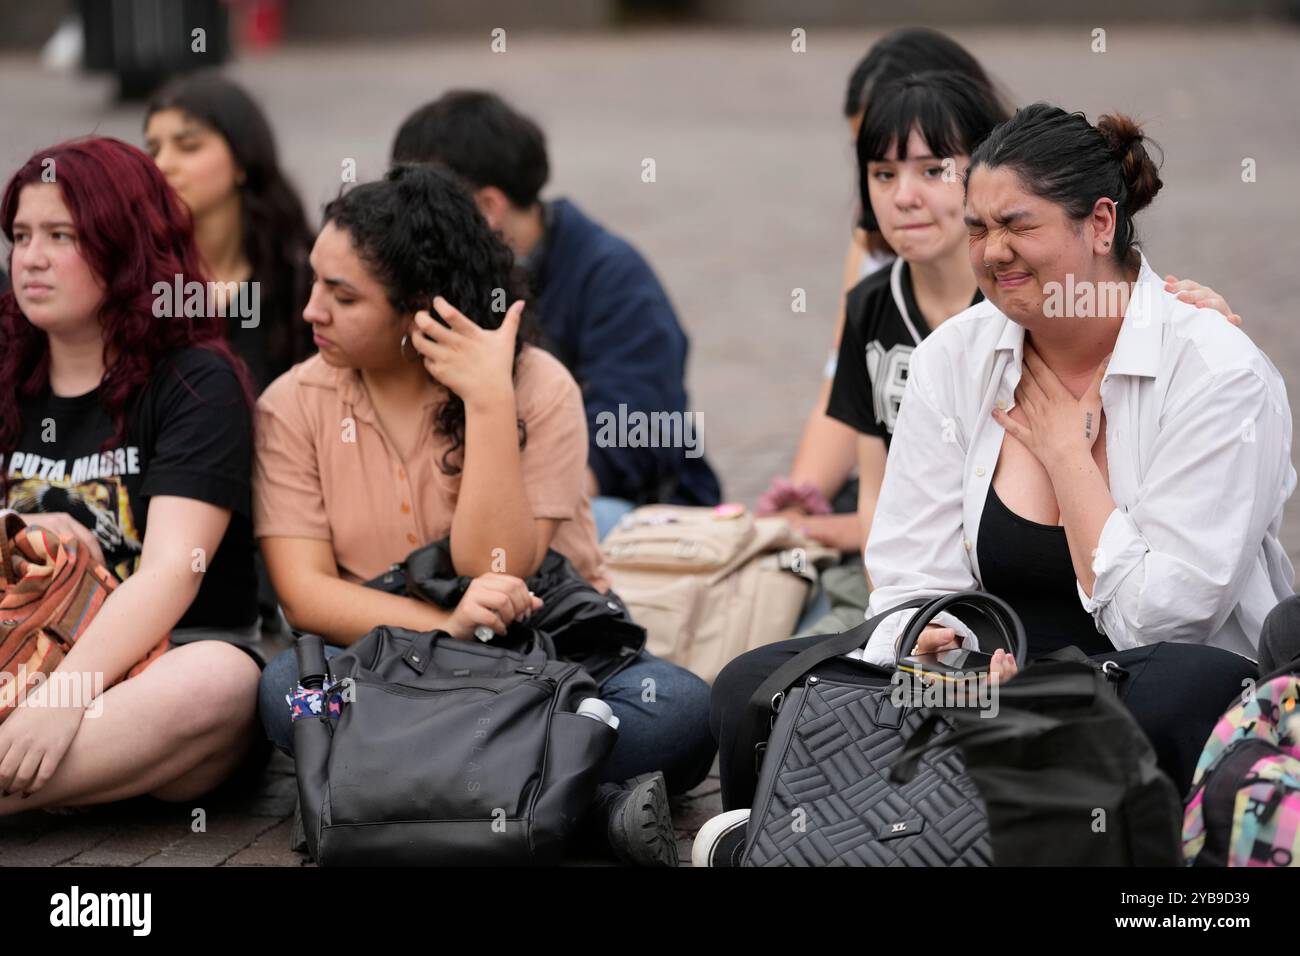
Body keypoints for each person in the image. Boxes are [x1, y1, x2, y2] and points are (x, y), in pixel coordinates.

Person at [697, 105, 1292, 865]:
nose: (994, 252)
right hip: (983, 681)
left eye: (1019, 225)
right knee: (753, 682)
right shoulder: (959, 356)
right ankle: (850, 830)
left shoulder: (1215, 373)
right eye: (977, 229)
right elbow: (910, 570)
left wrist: (1067, 461)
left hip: (1130, 678)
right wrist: (947, 650)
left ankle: (909, 826)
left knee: (1181, 689)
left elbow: (1168, 618)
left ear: (1100, 222)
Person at [251, 164, 715, 866]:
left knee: (678, 710)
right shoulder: (294, 403)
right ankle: (576, 805)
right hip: (397, 661)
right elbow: (306, 592)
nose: (311, 309)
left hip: (545, 655)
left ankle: (385, 795)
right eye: (316, 283)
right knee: (287, 691)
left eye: (341, 296)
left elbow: (493, 566)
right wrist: (444, 626)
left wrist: (489, 401)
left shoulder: (538, 386)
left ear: (421, 310)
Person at [0, 137, 262, 814]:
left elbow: (174, 571)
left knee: (221, 682)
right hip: (13, 660)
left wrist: (65, 696)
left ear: (125, 245)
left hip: (144, 677)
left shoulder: (195, 382)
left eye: (61, 236)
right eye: (21, 235)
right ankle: (36, 783)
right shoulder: (5, 369)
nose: (30, 258)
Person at [390, 90, 721, 538]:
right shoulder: (438, 277)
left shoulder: (613, 278)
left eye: (423, 213)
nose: (406, 230)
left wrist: (518, 514)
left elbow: (635, 432)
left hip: (635, 506)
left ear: (487, 207)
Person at [760, 29, 1009, 561]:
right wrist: (799, 508)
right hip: (904, 566)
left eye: (930, 166)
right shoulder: (874, 296)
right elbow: (851, 395)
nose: (903, 195)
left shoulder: (1030, 297)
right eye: (880, 168)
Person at [144, 69, 314, 393]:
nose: (162, 164)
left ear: (241, 160)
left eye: (188, 146)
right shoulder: (142, 276)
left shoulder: (300, 275)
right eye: (153, 150)